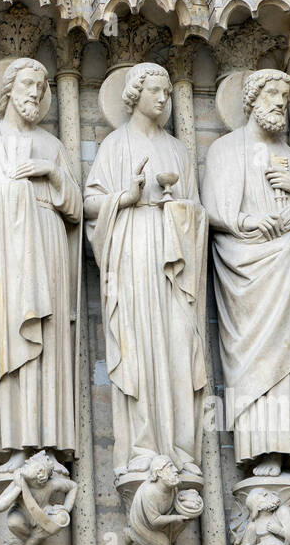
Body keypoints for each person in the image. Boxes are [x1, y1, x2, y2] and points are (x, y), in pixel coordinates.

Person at [202, 69, 290, 477]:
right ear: (252, 100)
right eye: (272, 94)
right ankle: (267, 449)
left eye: (284, 96)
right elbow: (213, 209)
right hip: (251, 271)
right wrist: (245, 223)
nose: (279, 103)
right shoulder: (226, 150)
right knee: (259, 358)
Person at [85, 63, 207, 475]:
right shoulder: (115, 146)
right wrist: (125, 196)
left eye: (168, 92)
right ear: (136, 94)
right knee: (138, 346)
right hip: (133, 251)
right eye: (155, 91)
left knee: (177, 345)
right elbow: (89, 204)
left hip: (175, 258)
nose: (163, 99)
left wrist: (180, 209)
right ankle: (141, 448)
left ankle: (180, 451)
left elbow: (199, 213)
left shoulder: (177, 150)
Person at [0, 58, 81, 461]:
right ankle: (12, 442)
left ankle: (45, 439)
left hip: (46, 245)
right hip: (3, 257)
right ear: (9, 90)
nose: (36, 92)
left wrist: (51, 173)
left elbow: (76, 210)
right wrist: (11, 194)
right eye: (29, 84)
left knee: (47, 342)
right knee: (9, 336)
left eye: (43, 85)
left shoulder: (53, 146)